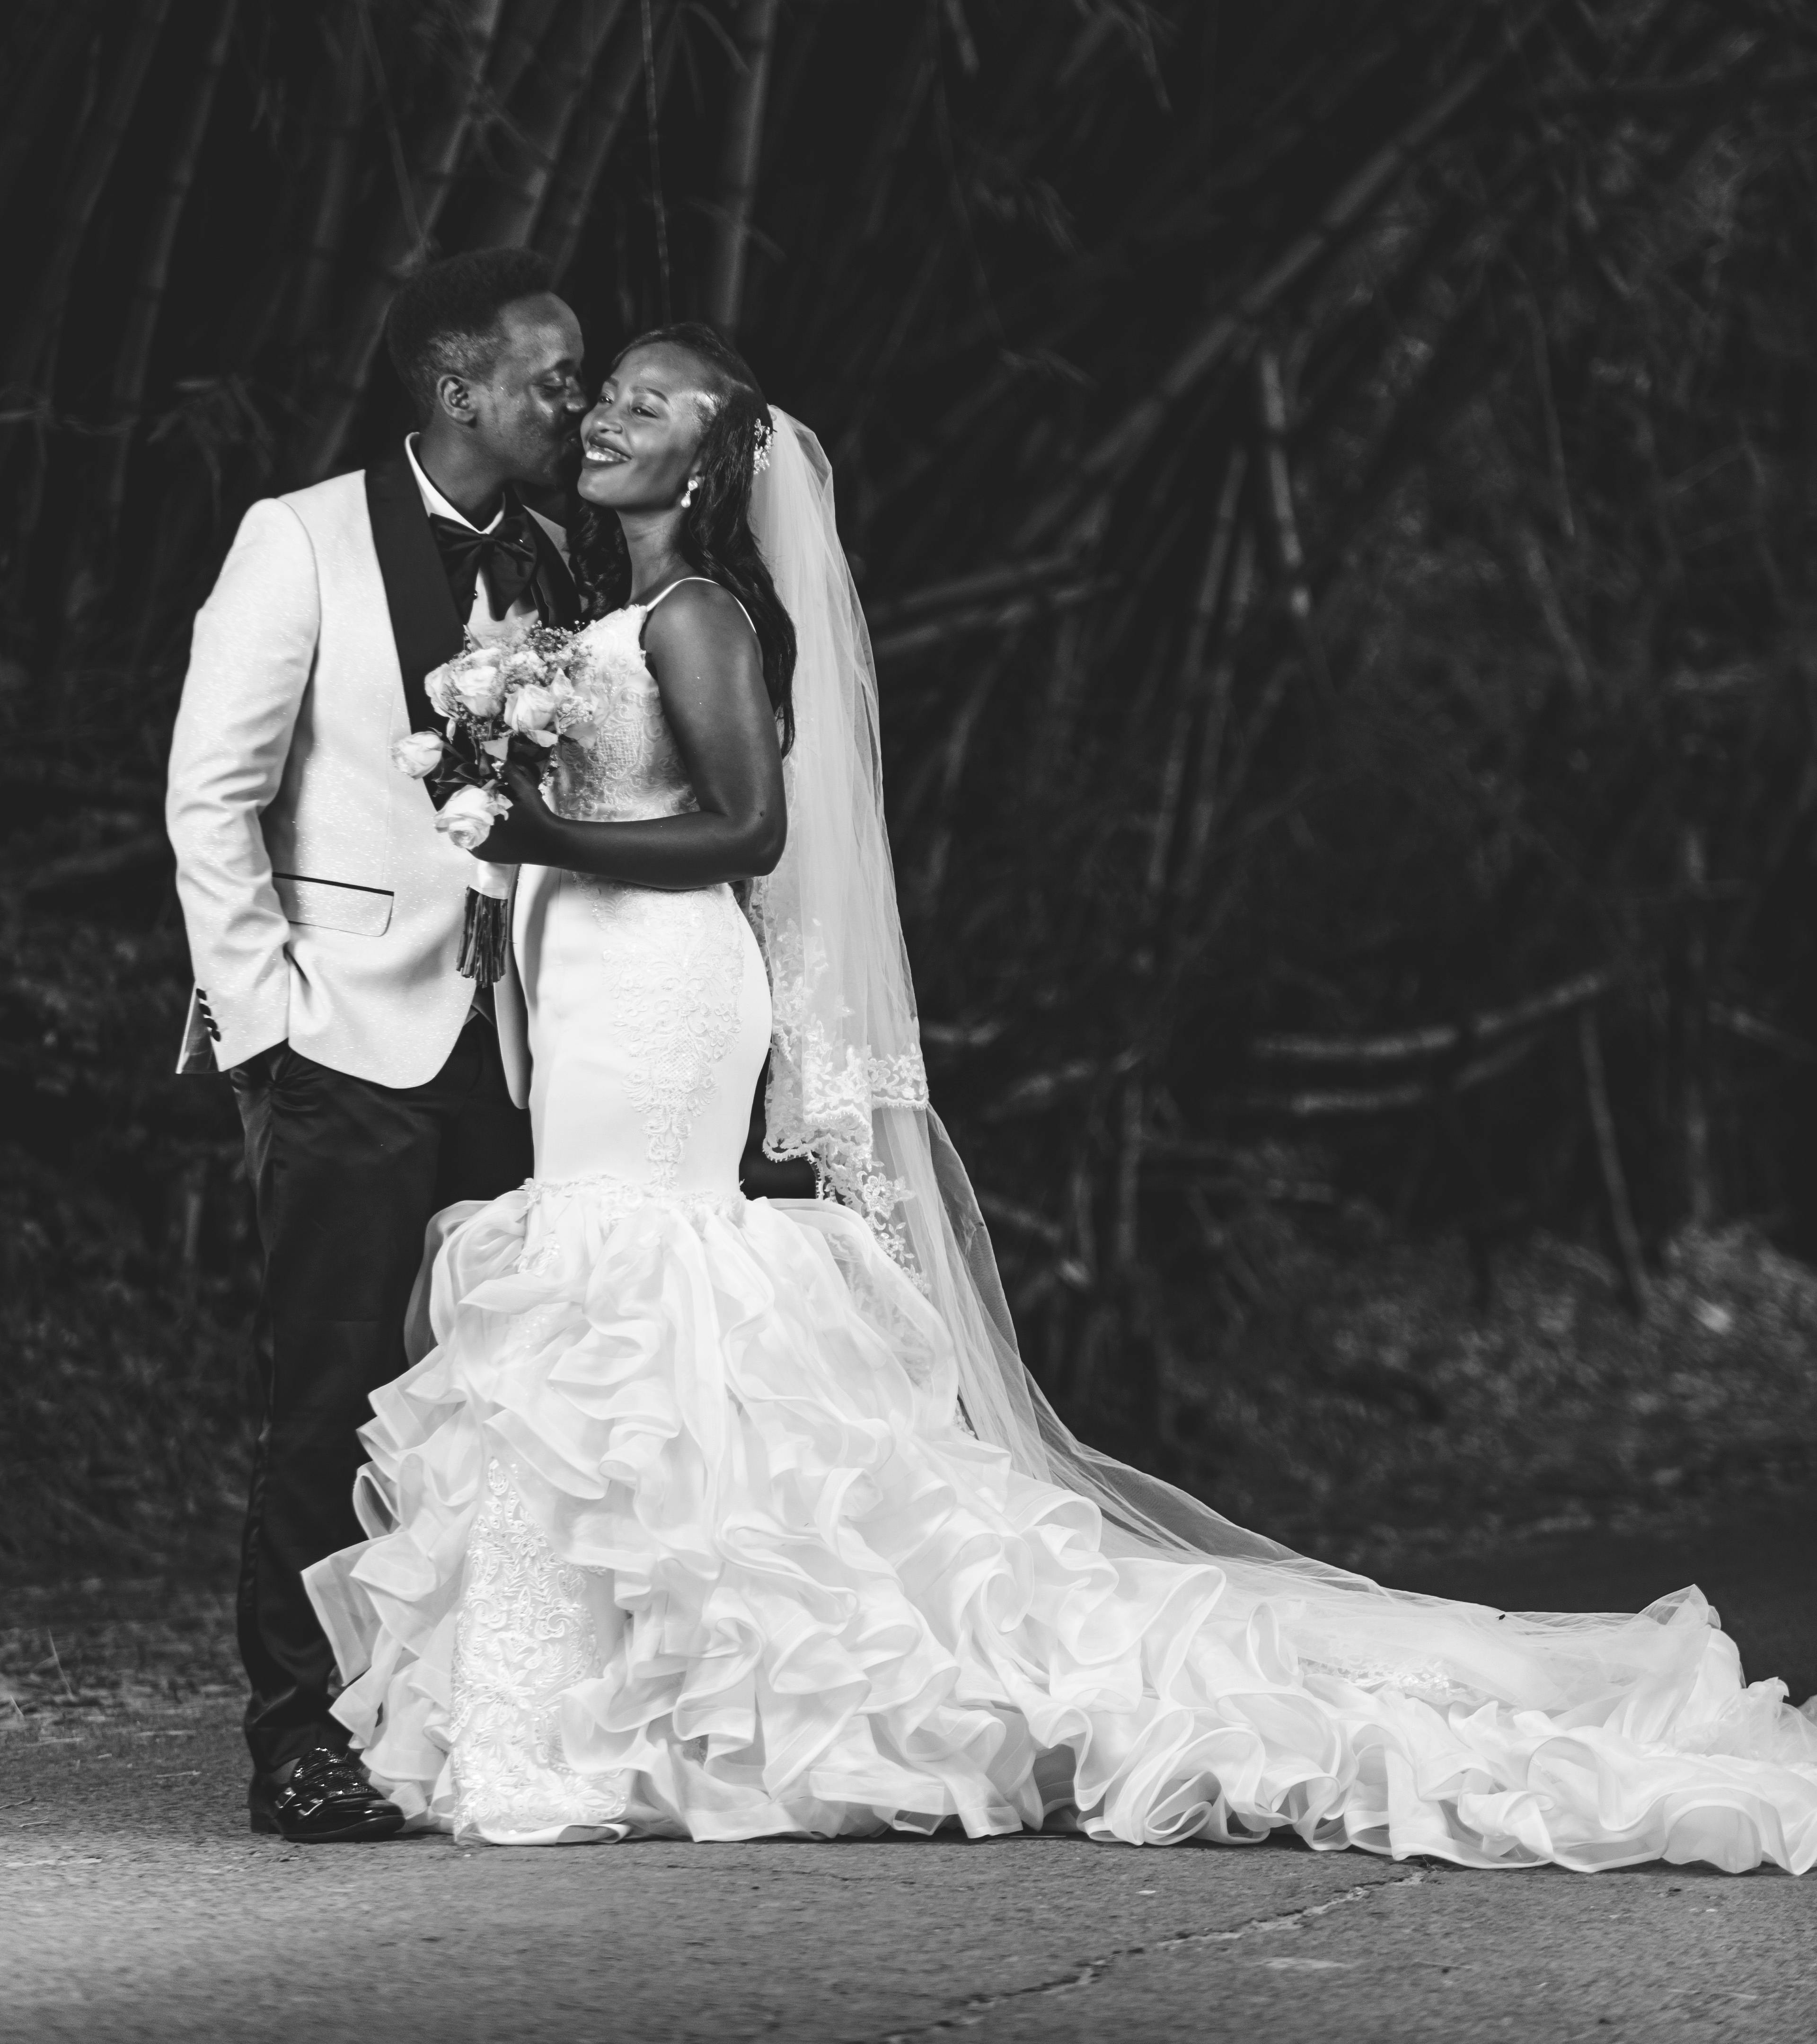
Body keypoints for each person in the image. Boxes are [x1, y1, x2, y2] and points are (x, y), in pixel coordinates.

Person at [305, 325, 1817, 1866]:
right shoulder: (602, 614)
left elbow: (750, 834)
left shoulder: (697, 616)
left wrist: (546, 839)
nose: (606, 419)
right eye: (608, 396)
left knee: (634, 1271)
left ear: (708, 465)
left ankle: (628, 1709)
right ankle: (600, 1702)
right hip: (590, 987)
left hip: (664, 990)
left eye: (647, 406)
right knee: (603, 1287)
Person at [165, 250, 587, 1841]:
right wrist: (264, 1027)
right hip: (341, 1034)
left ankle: (461, 1714)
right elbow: (211, 795)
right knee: (328, 1390)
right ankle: (297, 1738)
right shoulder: (298, 537)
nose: (576, 402)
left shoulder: (558, 557)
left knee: (495, 1399)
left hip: (520, 1042)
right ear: (457, 387)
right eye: (551, 378)